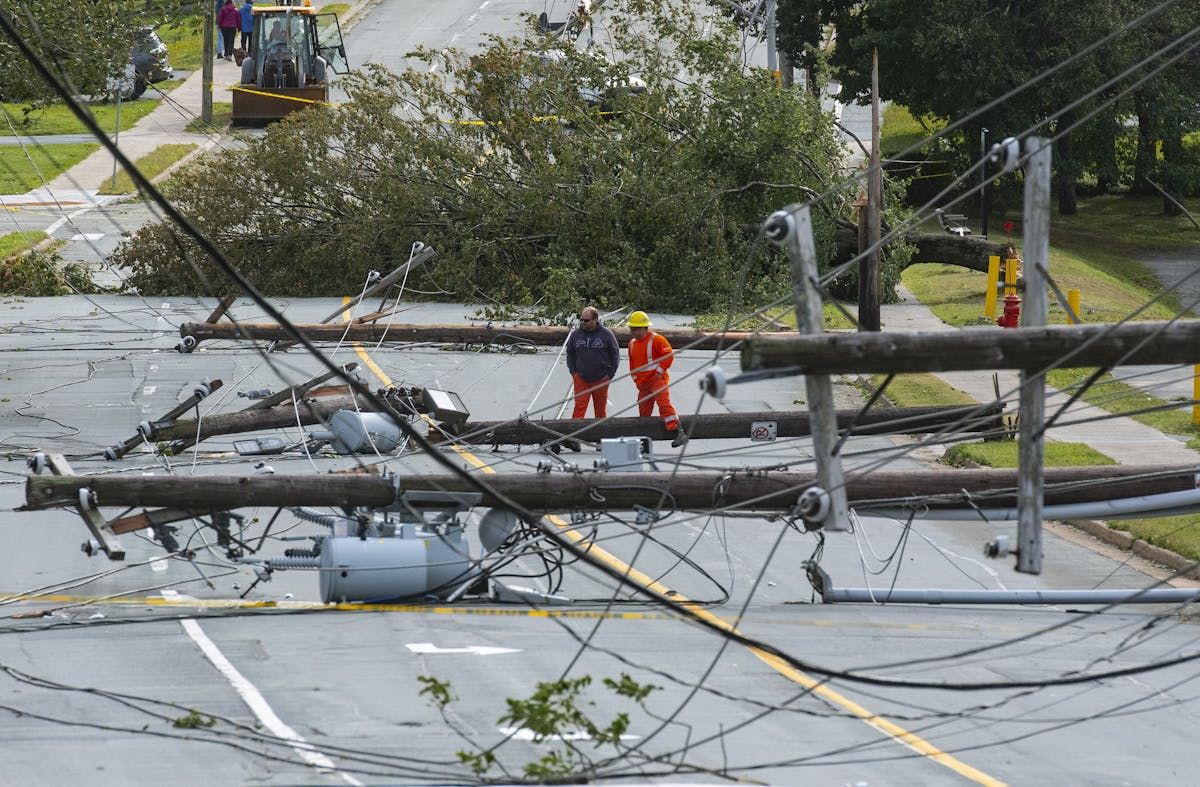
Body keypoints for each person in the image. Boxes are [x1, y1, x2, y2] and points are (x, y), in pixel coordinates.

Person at [626, 310, 685, 446]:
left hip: (657, 381)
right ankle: (645, 440)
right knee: (644, 410)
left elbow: (668, 356)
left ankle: (677, 431)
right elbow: (632, 363)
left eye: (635, 329)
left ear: (645, 328)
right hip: (643, 384)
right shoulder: (632, 344)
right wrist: (635, 378)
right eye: (631, 329)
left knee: (664, 404)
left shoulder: (657, 339)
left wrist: (659, 372)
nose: (632, 332)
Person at [565, 306, 619, 419]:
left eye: (586, 320)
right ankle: (575, 432)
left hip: (601, 379)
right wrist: (574, 373)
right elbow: (570, 354)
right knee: (579, 409)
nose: (583, 322)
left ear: (595, 320)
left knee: (600, 411)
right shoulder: (575, 335)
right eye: (581, 319)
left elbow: (615, 355)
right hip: (581, 379)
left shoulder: (607, 335)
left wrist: (609, 375)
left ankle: (599, 434)